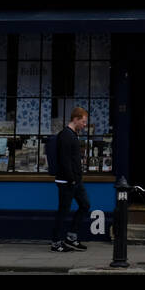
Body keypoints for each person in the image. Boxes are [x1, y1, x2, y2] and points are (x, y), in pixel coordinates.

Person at [51, 107, 90, 252]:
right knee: (63, 211)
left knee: (85, 205)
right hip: (67, 181)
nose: (85, 125)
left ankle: (71, 237)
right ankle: (56, 243)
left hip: (75, 180)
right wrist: (71, 179)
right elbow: (64, 160)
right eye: (83, 122)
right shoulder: (66, 135)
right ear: (75, 119)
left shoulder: (73, 134)